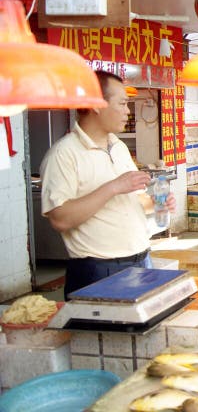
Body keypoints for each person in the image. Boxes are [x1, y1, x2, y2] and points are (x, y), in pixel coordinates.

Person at [40, 71, 177, 297]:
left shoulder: (118, 147)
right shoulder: (64, 154)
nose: (127, 111)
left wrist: (155, 203)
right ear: (96, 104)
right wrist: (113, 187)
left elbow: (134, 198)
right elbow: (60, 219)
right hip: (98, 270)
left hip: (141, 259)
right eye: (122, 103)